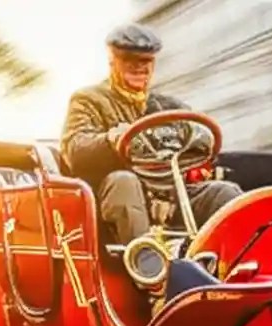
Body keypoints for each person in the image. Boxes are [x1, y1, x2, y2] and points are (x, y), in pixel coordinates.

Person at [60, 22, 241, 248]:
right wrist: (110, 140)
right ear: (112, 61)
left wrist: (201, 150)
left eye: (145, 61)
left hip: (173, 193)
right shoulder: (89, 100)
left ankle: (234, 266)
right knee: (124, 182)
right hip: (118, 197)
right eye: (129, 60)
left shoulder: (170, 107)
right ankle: (145, 265)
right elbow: (76, 150)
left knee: (224, 191)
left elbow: (200, 142)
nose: (138, 67)